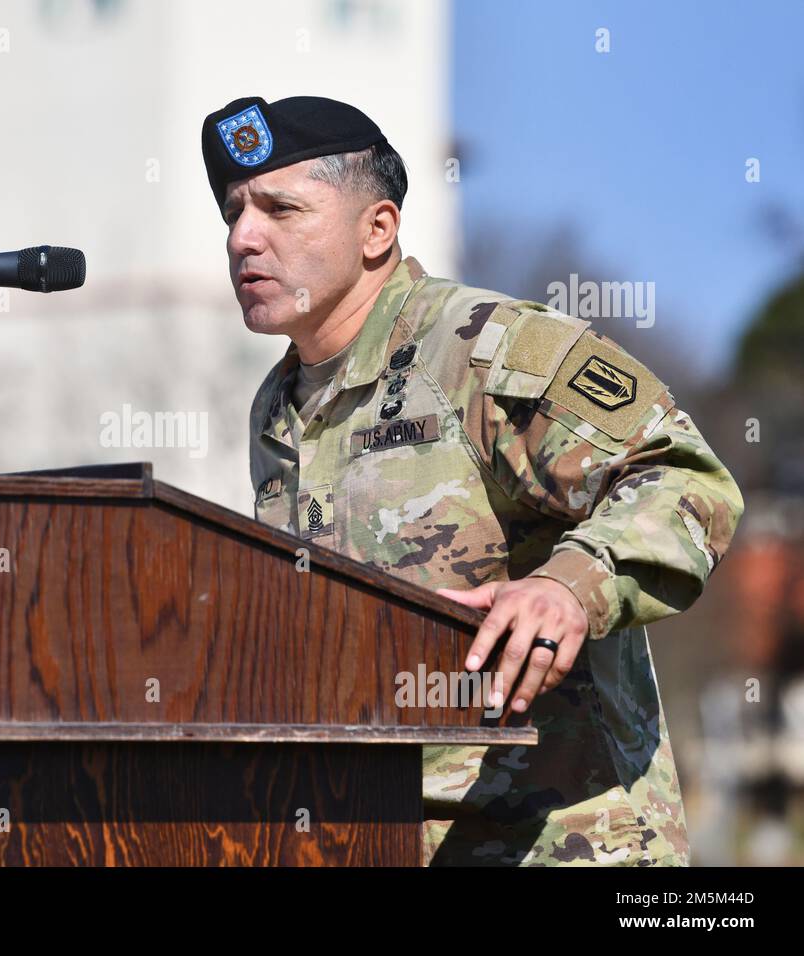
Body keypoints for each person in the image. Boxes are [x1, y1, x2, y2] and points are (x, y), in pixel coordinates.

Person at [202, 94, 745, 865]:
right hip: (378, 838)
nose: (242, 237)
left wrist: (567, 587)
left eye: (280, 209)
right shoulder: (278, 406)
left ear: (376, 229)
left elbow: (682, 475)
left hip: (560, 843)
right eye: (233, 212)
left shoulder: (484, 350)